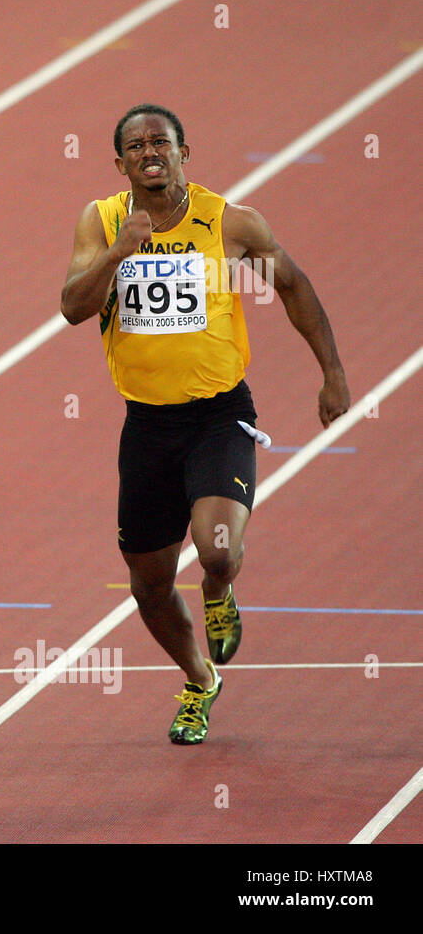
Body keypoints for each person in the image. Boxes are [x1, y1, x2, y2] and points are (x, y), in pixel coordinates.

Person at [61, 104, 349, 744]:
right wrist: (117, 253)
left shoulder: (230, 223)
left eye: (160, 141)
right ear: (120, 164)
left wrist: (331, 372)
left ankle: (219, 586)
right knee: (150, 584)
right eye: (135, 146)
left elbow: (294, 284)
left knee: (216, 546)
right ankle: (199, 681)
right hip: (146, 426)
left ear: (185, 151)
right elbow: (72, 308)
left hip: (219, 416)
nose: (149, 152)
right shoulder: (102, 220)